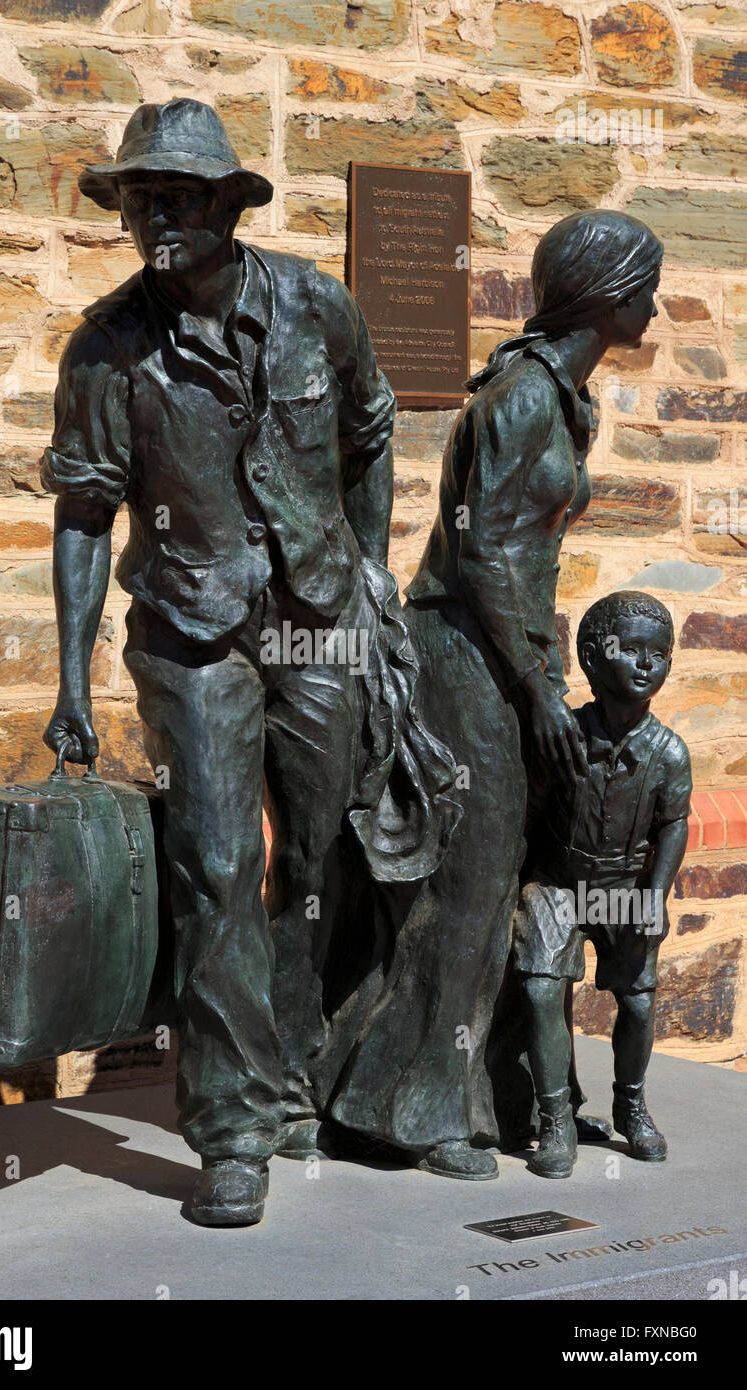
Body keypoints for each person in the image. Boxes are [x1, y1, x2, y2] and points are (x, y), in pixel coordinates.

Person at [39, 99, 456, 1227]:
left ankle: (293, 1076)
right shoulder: (106, 348)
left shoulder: (317, 305)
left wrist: (366, 576)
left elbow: (370, 430)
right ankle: (230, 1130)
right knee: (217, 861)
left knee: (318, 860)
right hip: (191, 635)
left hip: (316, 619)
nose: (154, 218)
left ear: (230, 204)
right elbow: (83, 515)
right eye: (138, 200)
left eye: (176, 196)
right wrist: (72, 679)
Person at [325, 210, 665, 1177]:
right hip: (468, 652)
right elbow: (486, 557)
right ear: (607, 294)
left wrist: (542, 678)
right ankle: (417, 1110)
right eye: (645, 283)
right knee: (470, 883)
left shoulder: (561, 396)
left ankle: (475, 1089)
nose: (654, 302)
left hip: (502, 649)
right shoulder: (522, 397)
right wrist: (541, 690)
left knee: (496, 871)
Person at [513, 592, 691, 1178]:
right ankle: (556, 1118)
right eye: (632, 650)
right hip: (558, 883)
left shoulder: (668, 754)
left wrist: (655, 894)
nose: (647, 664)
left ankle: (631, 1104)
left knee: (638, 999)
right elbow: (528, 812)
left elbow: (673, 825)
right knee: (543, 988)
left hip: (624, 887)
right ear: (592, 658)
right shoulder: (563, 737)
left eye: (660, 654)